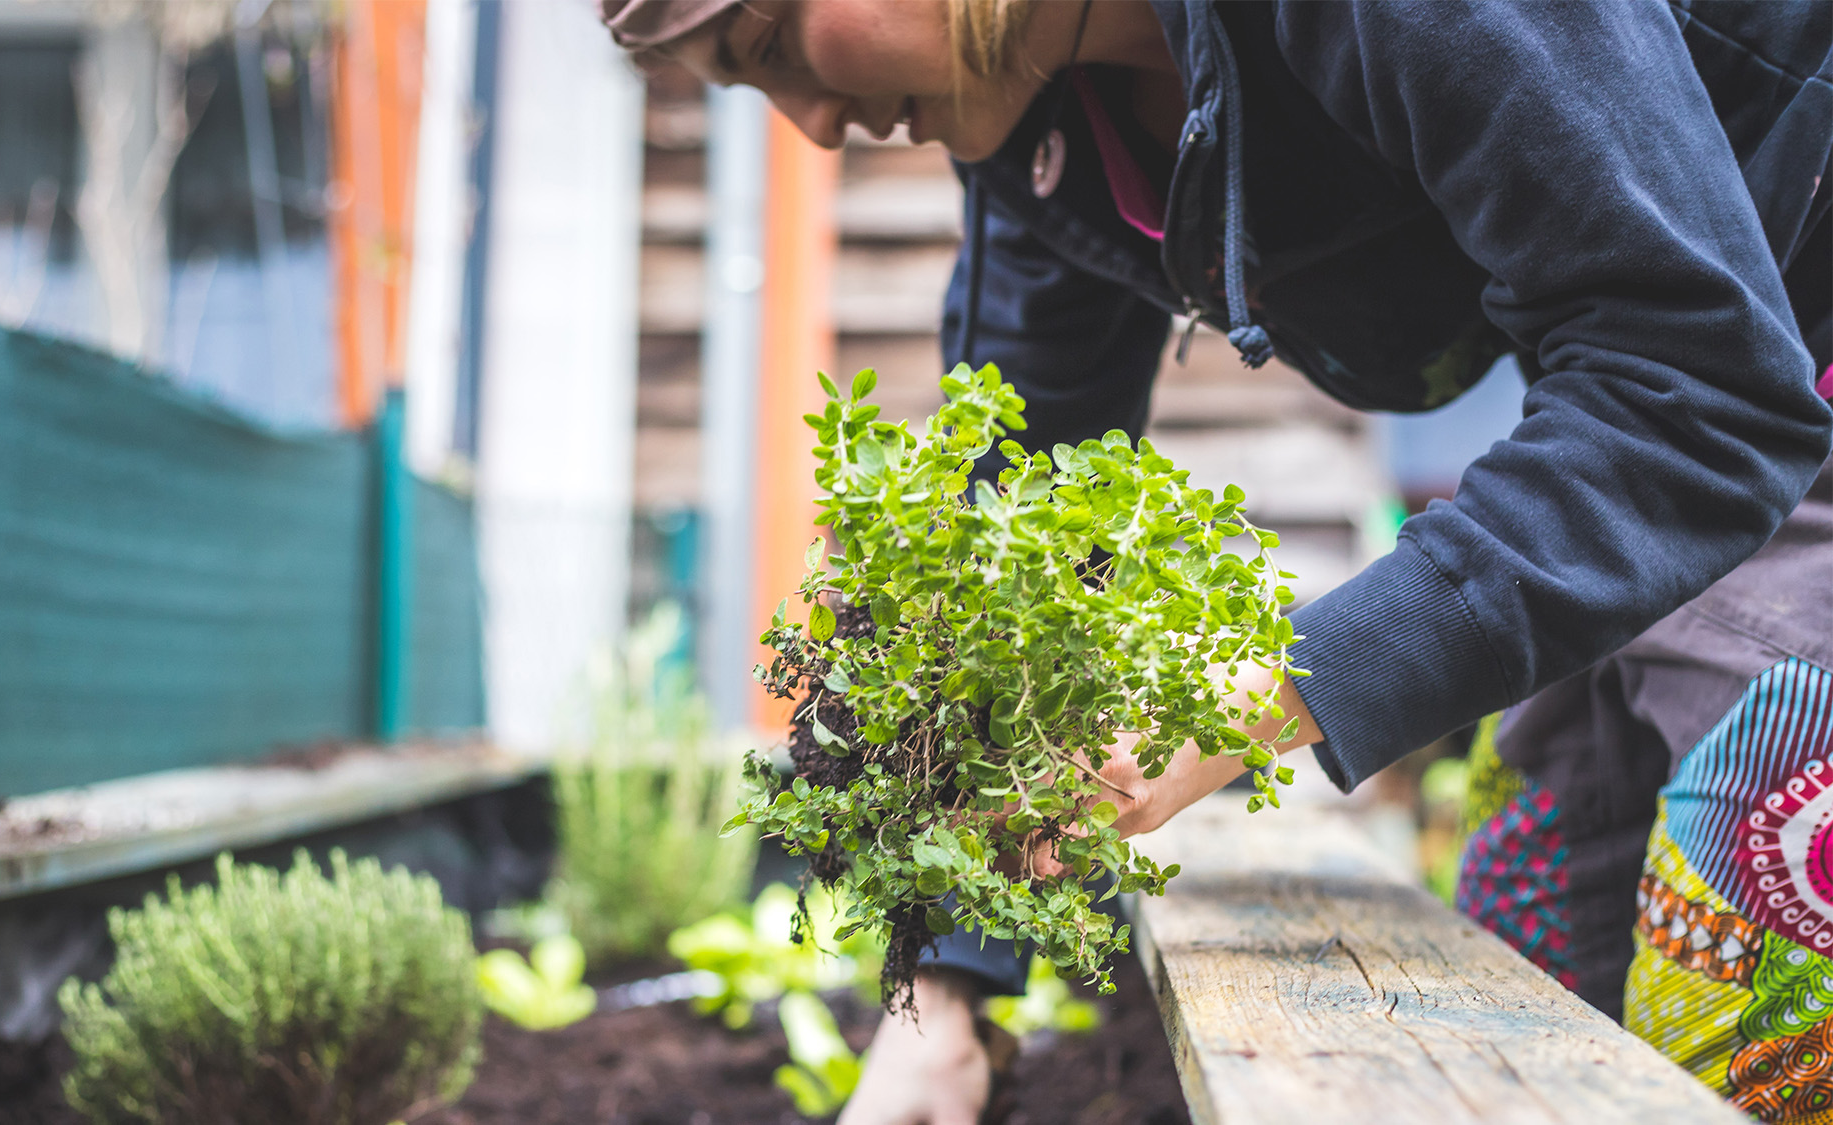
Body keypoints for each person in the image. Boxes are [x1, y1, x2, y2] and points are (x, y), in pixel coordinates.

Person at [600, 1, 1833, 1121]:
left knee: (1760, 958)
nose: (810, 128)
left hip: (1759, 389)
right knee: (1535, 932)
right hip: (1686, 435)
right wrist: (943, 1001)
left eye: (768, 47)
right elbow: (1018, 501)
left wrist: (1243, 701)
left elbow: (1693, 393)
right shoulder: (1049, 119)